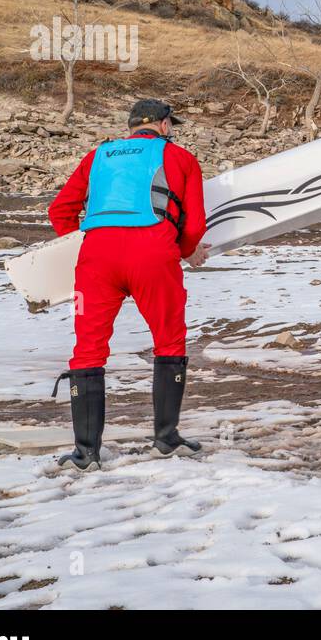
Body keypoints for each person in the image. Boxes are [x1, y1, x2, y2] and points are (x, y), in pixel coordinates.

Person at [47, 99, 210, 470]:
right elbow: (196, 225)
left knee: (88, 349)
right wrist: (186, 251)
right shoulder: (181, 159)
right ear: (165, 125)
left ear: (132, 127)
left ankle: (86, 453)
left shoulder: (97, 156)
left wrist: (88, 244)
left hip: (97, 261)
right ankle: (166, 440)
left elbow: (59, 210)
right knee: (168, 341)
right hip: (153, 255)